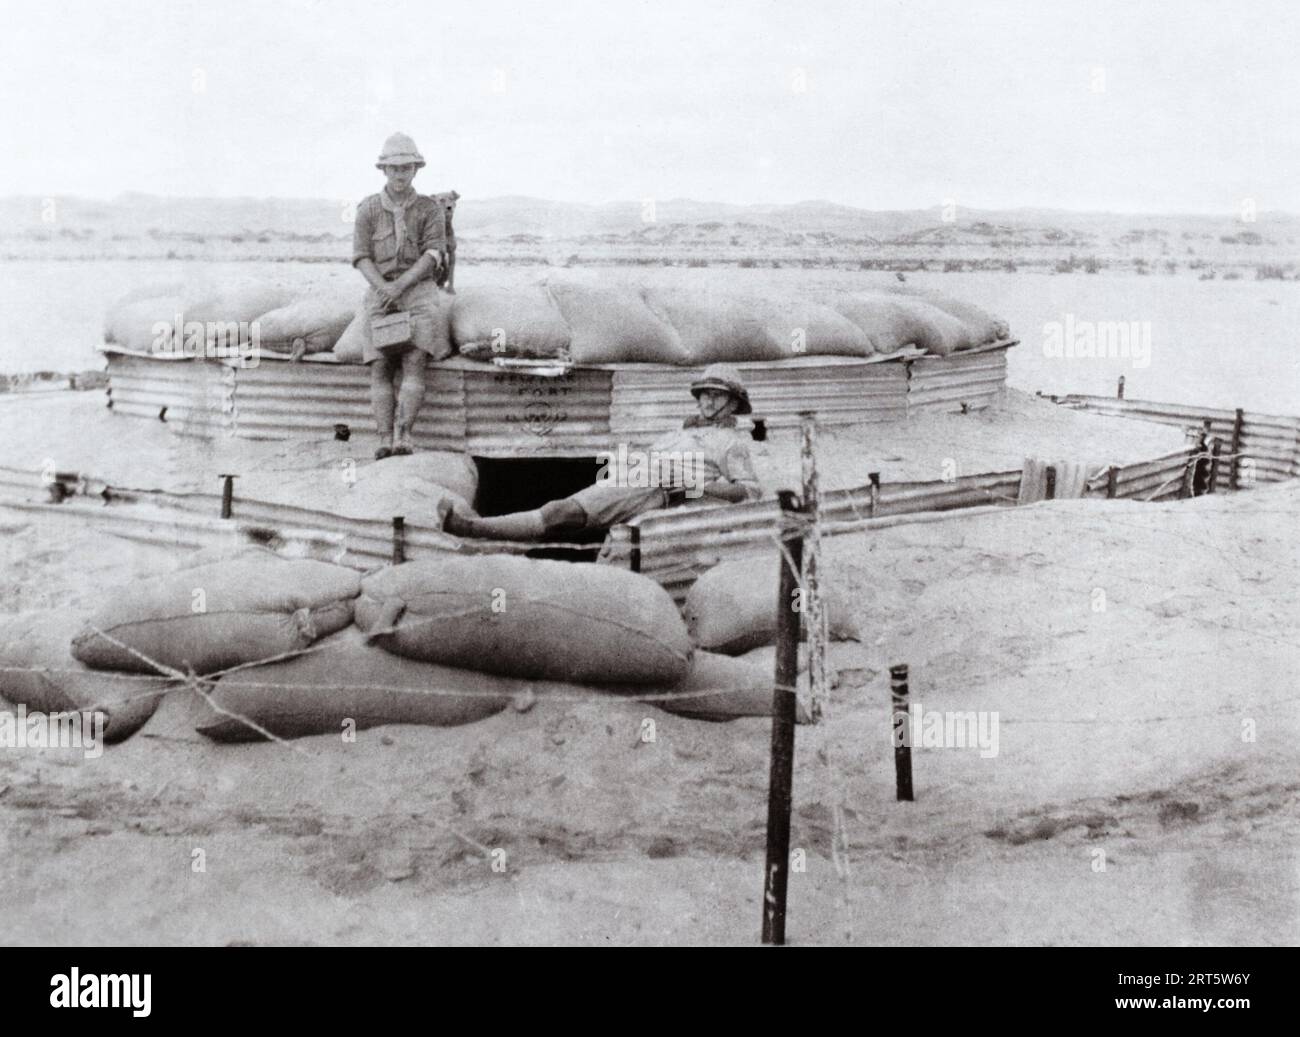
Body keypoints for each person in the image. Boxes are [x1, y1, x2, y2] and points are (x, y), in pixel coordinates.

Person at [444, 364, 763, 540]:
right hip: (635, 477)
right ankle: (483, 526)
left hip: (654, 490)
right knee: (562, 508)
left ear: (733, 403)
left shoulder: (731, 443)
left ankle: (473, 529)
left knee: (561, 514)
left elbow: (747, 492)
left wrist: (692, 483)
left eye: (717, 396)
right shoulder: (681, 431)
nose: (708, 402)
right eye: (704, 395)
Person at [352, 132, 455, 459]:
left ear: (415, 170)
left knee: (414, 361)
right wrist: (385, 288)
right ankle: (383, 437)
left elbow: (434, 254)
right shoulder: (367, 209)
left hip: (418, 293)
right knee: (380, 366)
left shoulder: (429, 209)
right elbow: (360, 256)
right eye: (394, 168)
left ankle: (404, 436)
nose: (400, 174)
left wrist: (401, 286)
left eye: (406, 168)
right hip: (380, 294)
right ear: (383, 170)